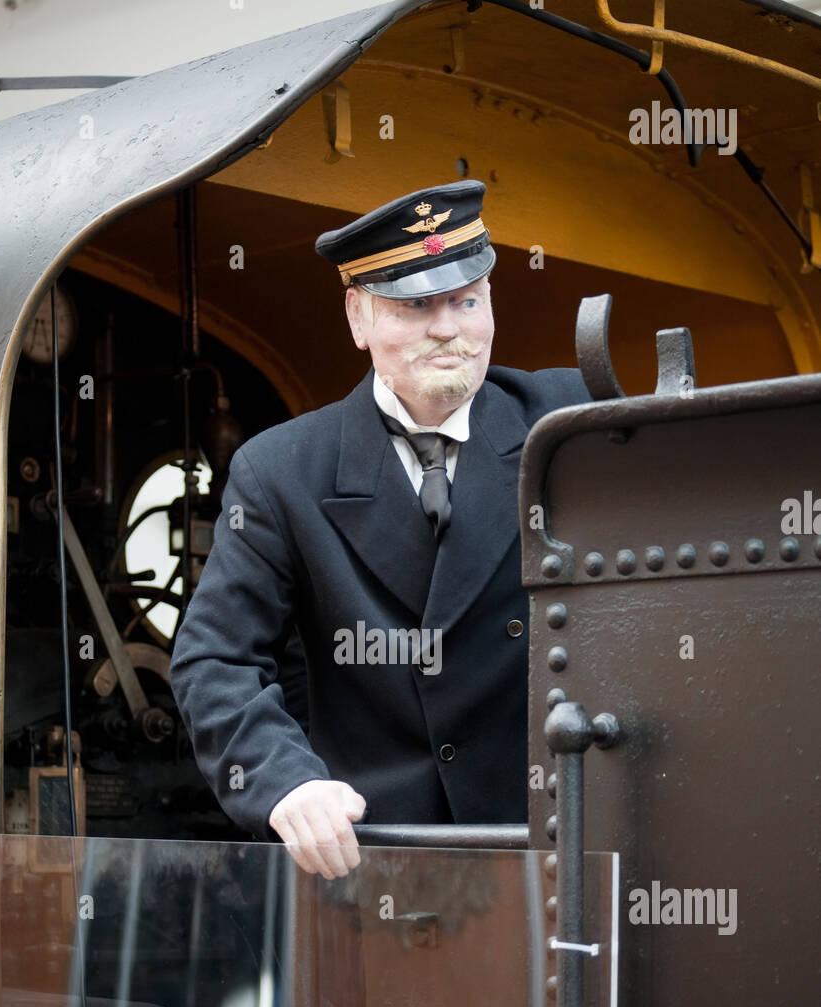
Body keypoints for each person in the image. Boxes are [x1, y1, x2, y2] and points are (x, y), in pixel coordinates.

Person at [169, 180, 590, 879]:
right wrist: (287, 784)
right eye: (415, 306)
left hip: (552, 852)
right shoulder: (281, 472)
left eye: (467, 301)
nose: (449, 328)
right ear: (358, 318)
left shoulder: (570, 423)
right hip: (376, 865)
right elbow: (216, 659)